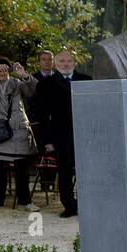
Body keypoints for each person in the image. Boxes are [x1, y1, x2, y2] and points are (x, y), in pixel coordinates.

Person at [30, 49, 89, 217]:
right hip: (60, 136)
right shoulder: (46, 84)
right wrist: (47, 140)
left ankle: (85, 204)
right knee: (65, 172)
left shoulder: (86, 80)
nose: (66, 64)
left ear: (74, 63)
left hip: (84, 134)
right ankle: (69, 206)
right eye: (62, 61)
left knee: (86, 172)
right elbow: (41, 115)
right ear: (56, 63)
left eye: (69, 61)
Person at [0, 58, 39, 213]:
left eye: (5, 70)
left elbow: (34, 91)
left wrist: (24, 75)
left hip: (18, 131)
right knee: (0, 168)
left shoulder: (16, 84)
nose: (2, 73)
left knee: (22, 169)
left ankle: (25, 202)